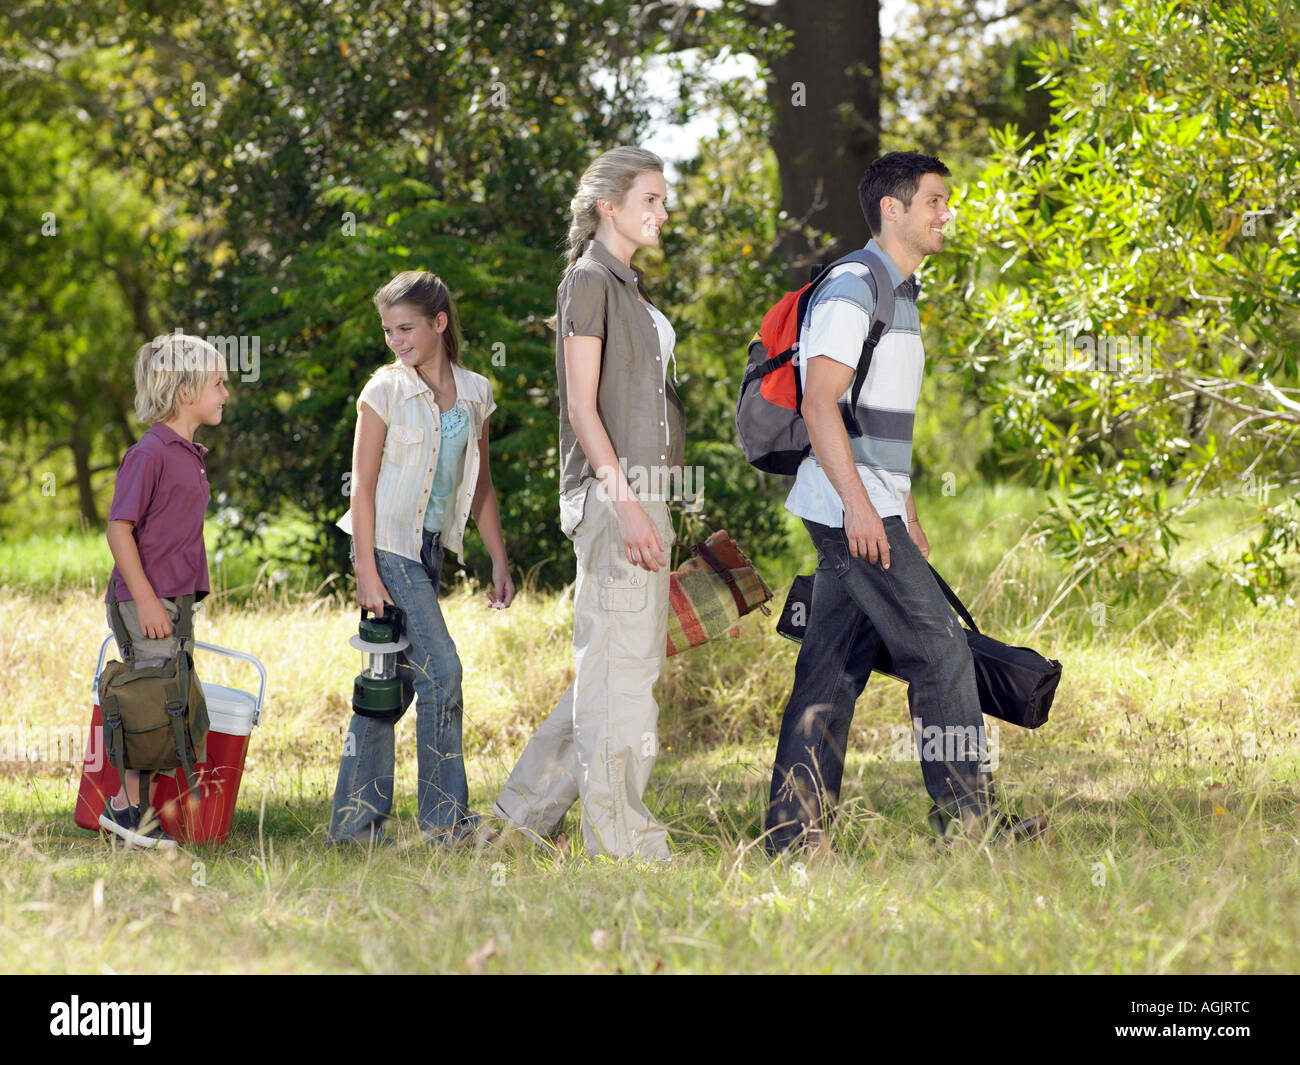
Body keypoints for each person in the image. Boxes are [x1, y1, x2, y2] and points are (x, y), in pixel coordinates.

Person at [765, 151, 1047, 853]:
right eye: (935, 201)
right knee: (940, 648)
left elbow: (879, 419)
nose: (946, 213)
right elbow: (819, 402)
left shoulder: (904, 295)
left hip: (870, 501)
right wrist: (863, 508)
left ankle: (794, 834)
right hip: (846, 507)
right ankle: (967, 824)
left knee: (830, 669)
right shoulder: (855, 285)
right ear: (892, 209)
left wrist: (907, 507)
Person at [493, 146, 685, 862]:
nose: (662, 213)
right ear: (609, 204)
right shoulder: (589, 281)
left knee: (615, 667)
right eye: (651, 199)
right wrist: (627, 504)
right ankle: (622, 839)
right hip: (617, 495)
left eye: (664, 201)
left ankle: (517, 820)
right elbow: (581, 405)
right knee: (624, 679)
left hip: (643, 494)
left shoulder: (628, 288)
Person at [332, 271, 515, 846]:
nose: (396, 341)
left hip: (429, 552)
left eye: (406, 328)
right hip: (387, 548)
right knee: (444, 671)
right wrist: (365, 568)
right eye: (388, 330)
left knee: (394, 686)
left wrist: (498, 560)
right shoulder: (384, 390)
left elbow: (479, 485)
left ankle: (354, 825)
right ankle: (447, 825)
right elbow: (361, 486)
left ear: (439, 323)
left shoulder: (477, 392)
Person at [101, 332, 228, 848]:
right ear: (184, 391)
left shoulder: (189, 453)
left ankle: (132, 812)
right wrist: (149, 599)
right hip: (143, 599)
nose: (225, 393)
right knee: (151, 697)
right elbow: (118, 529)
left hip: (172, 602)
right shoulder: (149, 452)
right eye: (218, 384)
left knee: (165, 699)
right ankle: (126, 813)